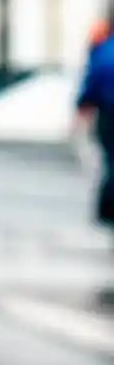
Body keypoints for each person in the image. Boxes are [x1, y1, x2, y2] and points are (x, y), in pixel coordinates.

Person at [78, 26, 114, 229]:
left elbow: (93, 80)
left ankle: (108, 210)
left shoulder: (103, 52)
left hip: (109, 112)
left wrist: (83, 103)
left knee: (111, 161)